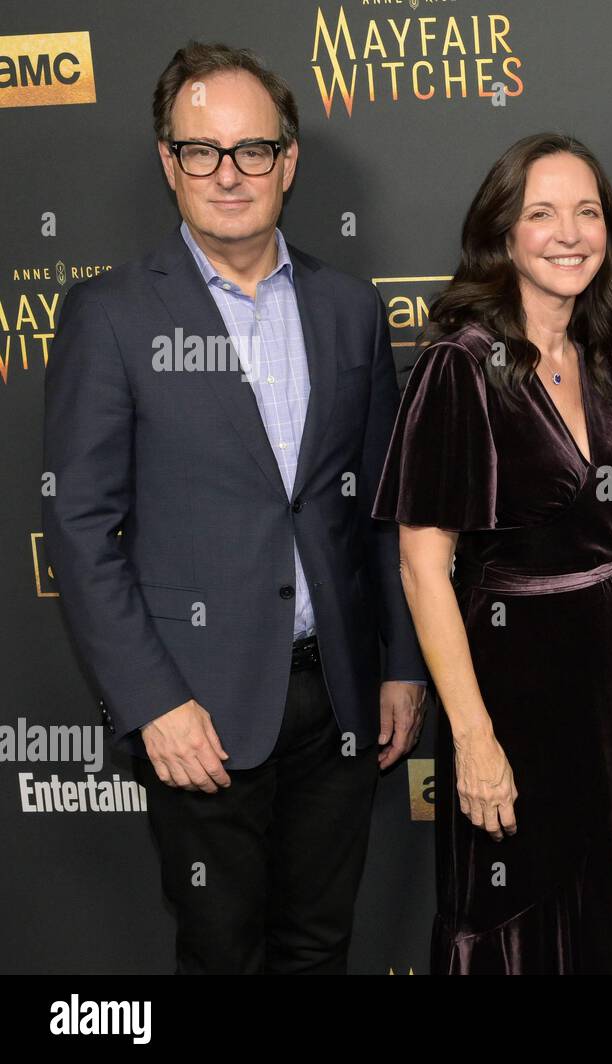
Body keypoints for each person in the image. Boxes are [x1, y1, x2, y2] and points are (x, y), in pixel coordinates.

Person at [41, 42, 428, 974]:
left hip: (338, 696)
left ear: (288, 164)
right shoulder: (112, 316)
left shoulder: (348, 309)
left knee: (319, 947)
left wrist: (401, 668)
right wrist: (153, 702)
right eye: (202, 151)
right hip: (198, 709)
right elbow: (81, 529)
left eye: (253, 149)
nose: (229, 173)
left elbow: (379, 508)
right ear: (169, 165)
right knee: (220, 954)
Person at [373, 132, 612, 975]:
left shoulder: (590, 358)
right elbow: (422, 566)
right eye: (541, 212)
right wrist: (474, 742)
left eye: (587, 212)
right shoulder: (461, 367)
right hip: (515, 705)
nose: (569, 231)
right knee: (515, 918)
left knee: (605, 925)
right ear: (503, 234)